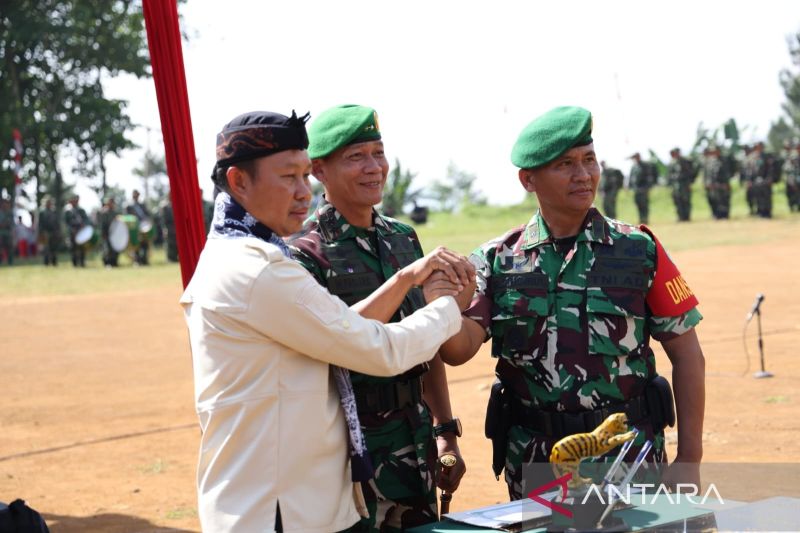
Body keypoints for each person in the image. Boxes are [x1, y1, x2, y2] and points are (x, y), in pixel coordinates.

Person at [181, 110, 474, 533]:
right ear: (238, 182)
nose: (303, 192)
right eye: (288, 177)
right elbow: (375, 348)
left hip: (296, 494)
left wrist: (406, 280)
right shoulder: (261, 269)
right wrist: (448, 307)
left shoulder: (241, 256)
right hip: (282, 509)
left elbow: (340, 333)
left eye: (304, 177)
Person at [438, 106, 706, 500]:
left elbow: (688, 355)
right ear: (528, 179)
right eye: (565, 164)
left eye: (589, 160)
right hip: (536, 460)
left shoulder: (639, 249)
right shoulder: (497, 260)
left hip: (629, 455)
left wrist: (690, 458)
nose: (583, 175)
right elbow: (458, 350)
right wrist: (444, 307)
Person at [290, 105, 471, 532]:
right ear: (320, 170)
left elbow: (426, 342)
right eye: (356, 157)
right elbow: (333, 340)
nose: (374, 168)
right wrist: (404, 280)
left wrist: (445, 432)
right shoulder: (304, 253)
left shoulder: (403, 239)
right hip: (349, 451)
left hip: (413, 439)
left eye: (378, 153)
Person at [666, 147, 697, 222]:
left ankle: (687, 217)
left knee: (686, 201)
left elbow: (692, 172)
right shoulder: (672, 163)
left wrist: (690, 182)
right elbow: (669, 174)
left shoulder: (686, 161)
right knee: (677, 201)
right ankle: (680, 217)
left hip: (684, 185)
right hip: (675, 185)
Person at [702, 144, 732, 219]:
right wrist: (707, 183)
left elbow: (728, 172)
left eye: (715, 151)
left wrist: (726, 183)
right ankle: (716, 215)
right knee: (714, 200)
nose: (714, 153)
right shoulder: (709, 161)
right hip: (713, 185)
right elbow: (707, 173)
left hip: (722, 184)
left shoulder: (725, 160)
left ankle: (724, 215)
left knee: (723, 200)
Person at [628, 152, 657, 224]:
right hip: (636, 189)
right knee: (638, 204)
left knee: (644, 204)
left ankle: (645, 219)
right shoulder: (634, 166)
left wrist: (647, 187)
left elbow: (649, 177)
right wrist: (630, 186)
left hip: (643, 189)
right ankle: (641, 219)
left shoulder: (645, 165)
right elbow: (631, 177)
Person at [64, 194, 91, 267]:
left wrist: (84, 226)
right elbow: (66, 222)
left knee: (82, 247)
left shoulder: (81, 210)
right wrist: (72, 230)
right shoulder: (68, 211)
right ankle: (74, 263)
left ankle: (82, 262)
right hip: (72, 232)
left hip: (81, 231)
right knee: (73, 248)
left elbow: (86, 220)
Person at [126, 189, 152, 265]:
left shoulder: (142, 205)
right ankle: (137, 260)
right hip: (135, 228)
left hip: (144, 227)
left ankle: (144, 259)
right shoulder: (129, 206)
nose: (136, 196)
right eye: (135, 194)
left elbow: (147, 214)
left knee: (145, 244)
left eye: (137, 195)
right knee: (136, 244)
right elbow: (128, 217)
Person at [97, 196, 120, 267]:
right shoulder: (104, 212)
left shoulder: (115, 212)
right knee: (106, 249)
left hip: (114, 233)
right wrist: (103, 234)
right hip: (106, 233)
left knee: (115, 249)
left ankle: (114, 262)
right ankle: (107, 263)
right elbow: (102, 224)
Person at [38, 197, 61, 266]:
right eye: (47, 202)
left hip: (54, 232)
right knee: (46, 248)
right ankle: (46, 262)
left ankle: (54, 262)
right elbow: (40, 223)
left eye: (50, 202)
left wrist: (58, 231)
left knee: (54, 247)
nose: (49, 204)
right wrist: (41, 232)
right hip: (45, 232)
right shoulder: (42, 212)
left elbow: (57, 222)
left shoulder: (54, 212)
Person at [783, 140, 800, 212]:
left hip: (796, 178)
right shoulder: (787, 155)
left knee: (797, 193)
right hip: (790, 178)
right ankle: (792, 206)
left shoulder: (794, 155)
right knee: (790, 193)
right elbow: (786, 168)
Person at [0, 198, 15, 265]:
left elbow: (12, 223)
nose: (5, 205)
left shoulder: (10, 213)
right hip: (1, 233)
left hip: (8, 233)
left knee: (10, 248)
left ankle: (10, 262)